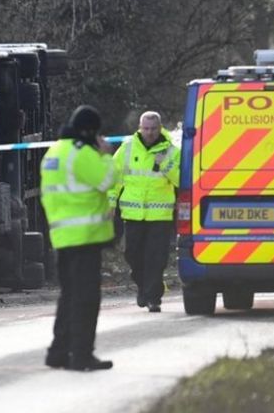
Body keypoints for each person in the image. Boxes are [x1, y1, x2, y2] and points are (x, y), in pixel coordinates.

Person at [40, 105, 118, 371]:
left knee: (69, 297)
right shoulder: (81, 153)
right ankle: (81, 356)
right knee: (85, 300)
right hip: (85, 238)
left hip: (63, 237)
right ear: (90, 131)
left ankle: (58, 352)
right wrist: (106, 155)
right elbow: (107, 180)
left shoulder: (55, 151)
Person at [110, 110, 180, 313]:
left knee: (156, 258)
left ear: (160, 129)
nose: (149, 133)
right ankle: (143, 287)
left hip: (160, 216)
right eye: (146, 128)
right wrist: (110, 204)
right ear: (140, 128)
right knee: (133, 255)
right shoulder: (127, 149)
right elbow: (114, 177)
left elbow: (180, 180)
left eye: (153, 129)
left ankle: (153, 298)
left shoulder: (171, 152)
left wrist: (164, 164)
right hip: (133, 215)